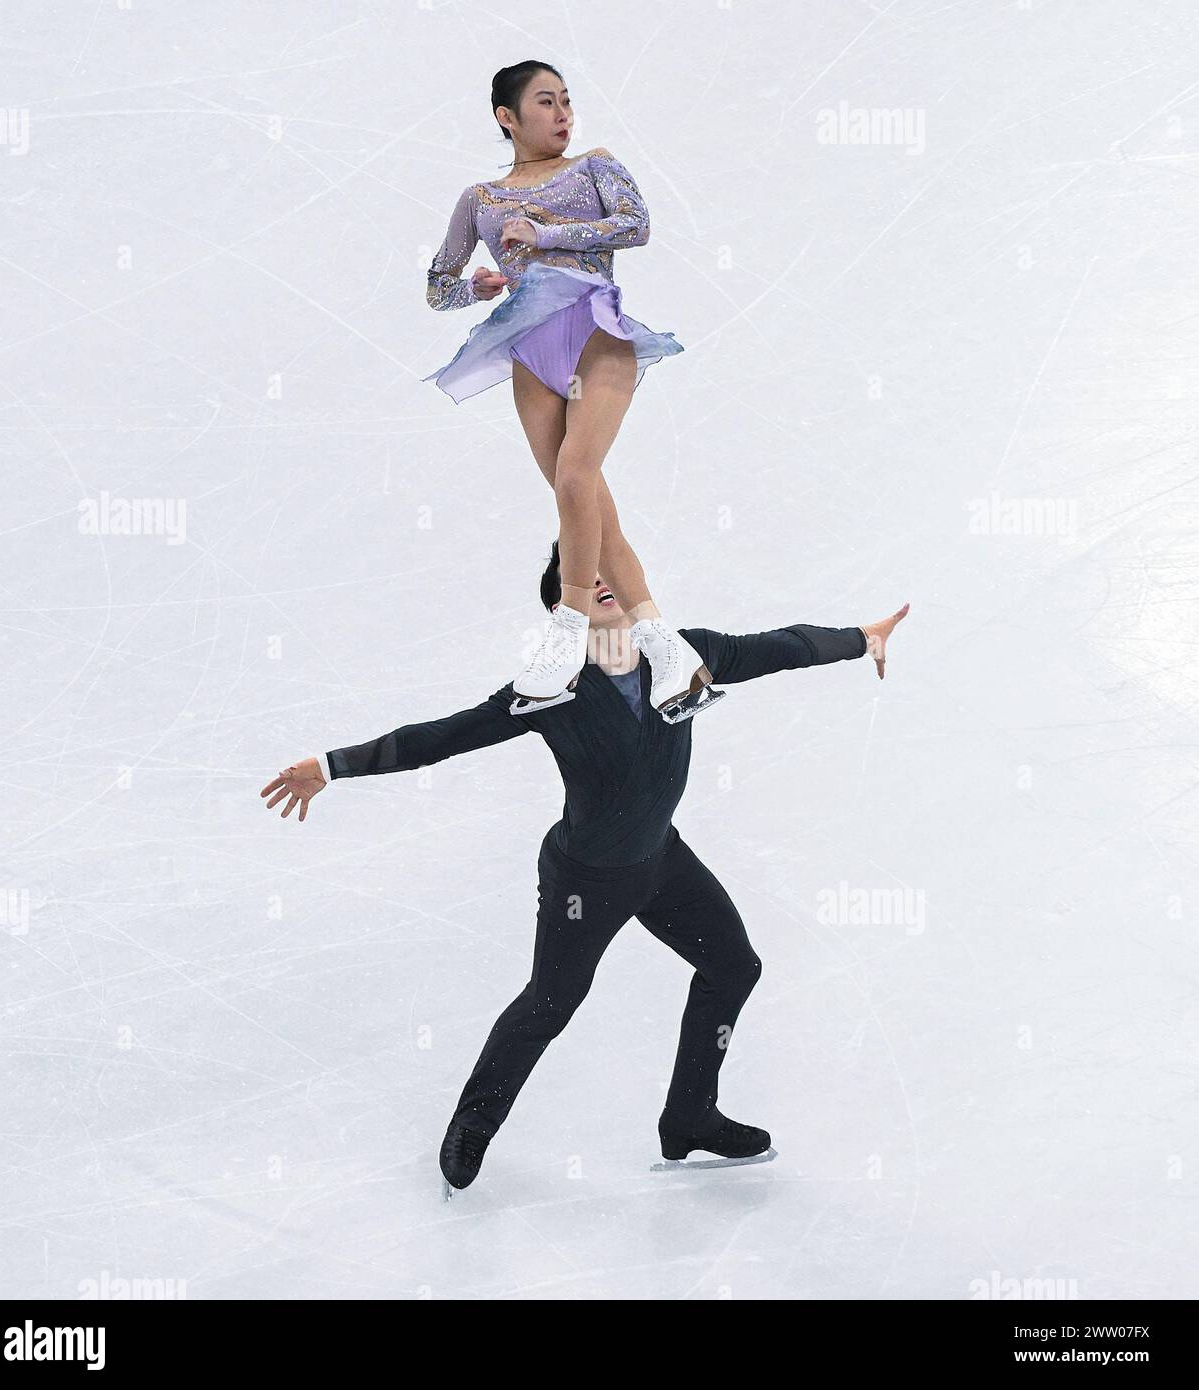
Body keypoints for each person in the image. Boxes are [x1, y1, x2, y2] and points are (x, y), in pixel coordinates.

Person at [260, 542, 910, 1193]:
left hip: (661, 862)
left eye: (610, 576)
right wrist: (329, 765)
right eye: (583, 580)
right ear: (559, 604)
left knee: (733, 965)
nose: (603, 584)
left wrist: (861, 637)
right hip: (586, 880)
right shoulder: (552, 690)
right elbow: (440, 737)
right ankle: (473, 1124)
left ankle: (689, 1117)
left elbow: (782, 646)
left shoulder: (686, 655)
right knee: (551, 1001)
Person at [424, 59, 719, 725]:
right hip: (528, 348)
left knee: (577, 472)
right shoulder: (480, 199)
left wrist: (548, 235)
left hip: (595, 328)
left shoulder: (594, 165)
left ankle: (567, 629)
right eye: (545, 102)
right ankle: (664, 648)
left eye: (566, 102)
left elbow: (634, 224)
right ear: (507, 117)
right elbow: (437, 285)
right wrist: (476, 286)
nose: (563, 114)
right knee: (581, 494)